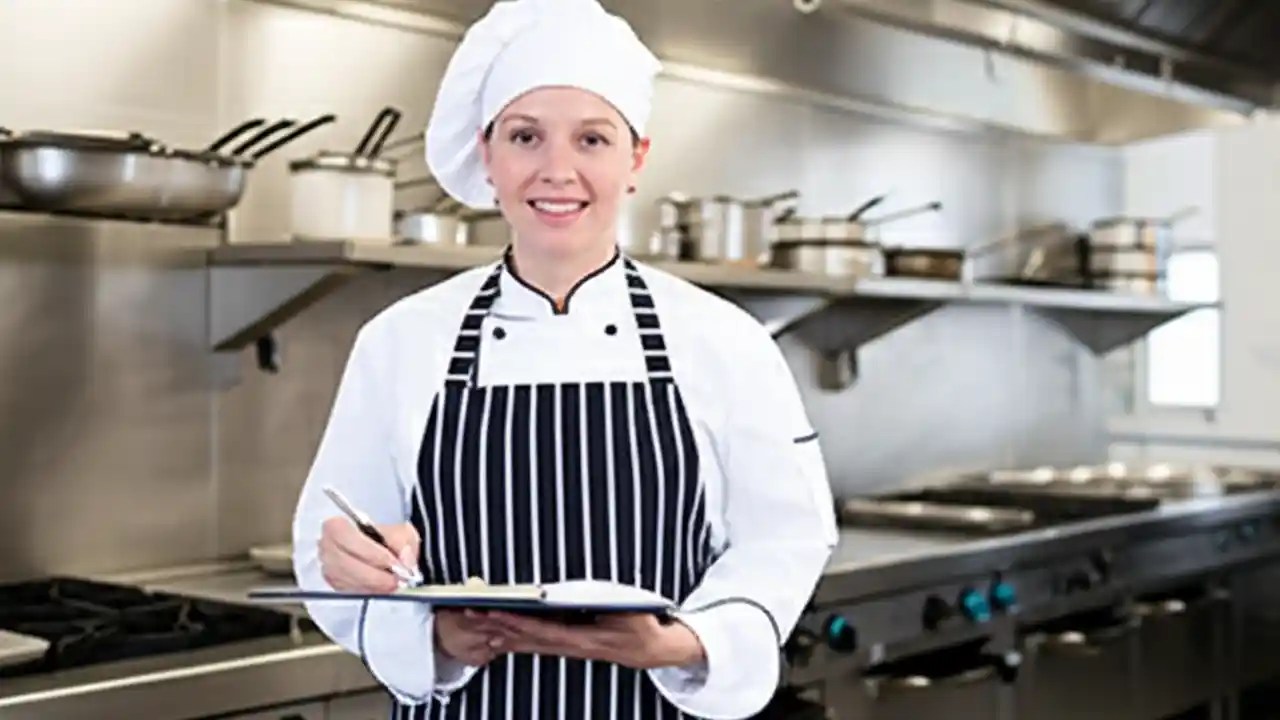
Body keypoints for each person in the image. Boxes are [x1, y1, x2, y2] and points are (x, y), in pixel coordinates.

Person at [290, 0, 838, 717]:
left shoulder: (724, 340)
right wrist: (408, 613)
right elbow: (328, 550)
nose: (557, 170)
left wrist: (683, 642)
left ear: (636, 158)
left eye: (592, 139)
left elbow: (787, 536)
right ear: (487, 154)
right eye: (525, 136)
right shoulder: (401, 340)